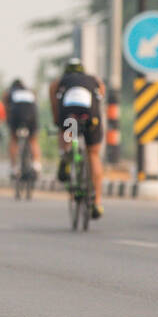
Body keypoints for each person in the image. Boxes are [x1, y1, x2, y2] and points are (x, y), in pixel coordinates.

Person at [49, 58, 105, 219]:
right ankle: (97, 203)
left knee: (66, 132)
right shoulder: (94, 79)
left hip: (70, 114)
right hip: (91, 115)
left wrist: (56, 118)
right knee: (93, 154)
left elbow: (52, 92)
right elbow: (102, 92)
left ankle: (65, 157)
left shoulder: (61, 81)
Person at [5, 78, 42, 180]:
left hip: (16, 115)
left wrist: (9, 124)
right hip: (31, 115)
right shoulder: (30, 92)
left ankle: (14, 167)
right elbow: (35, 107)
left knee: (14, 139)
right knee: (33, 139)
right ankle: (36, 164)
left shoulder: (9, 92)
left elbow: (6, 109)